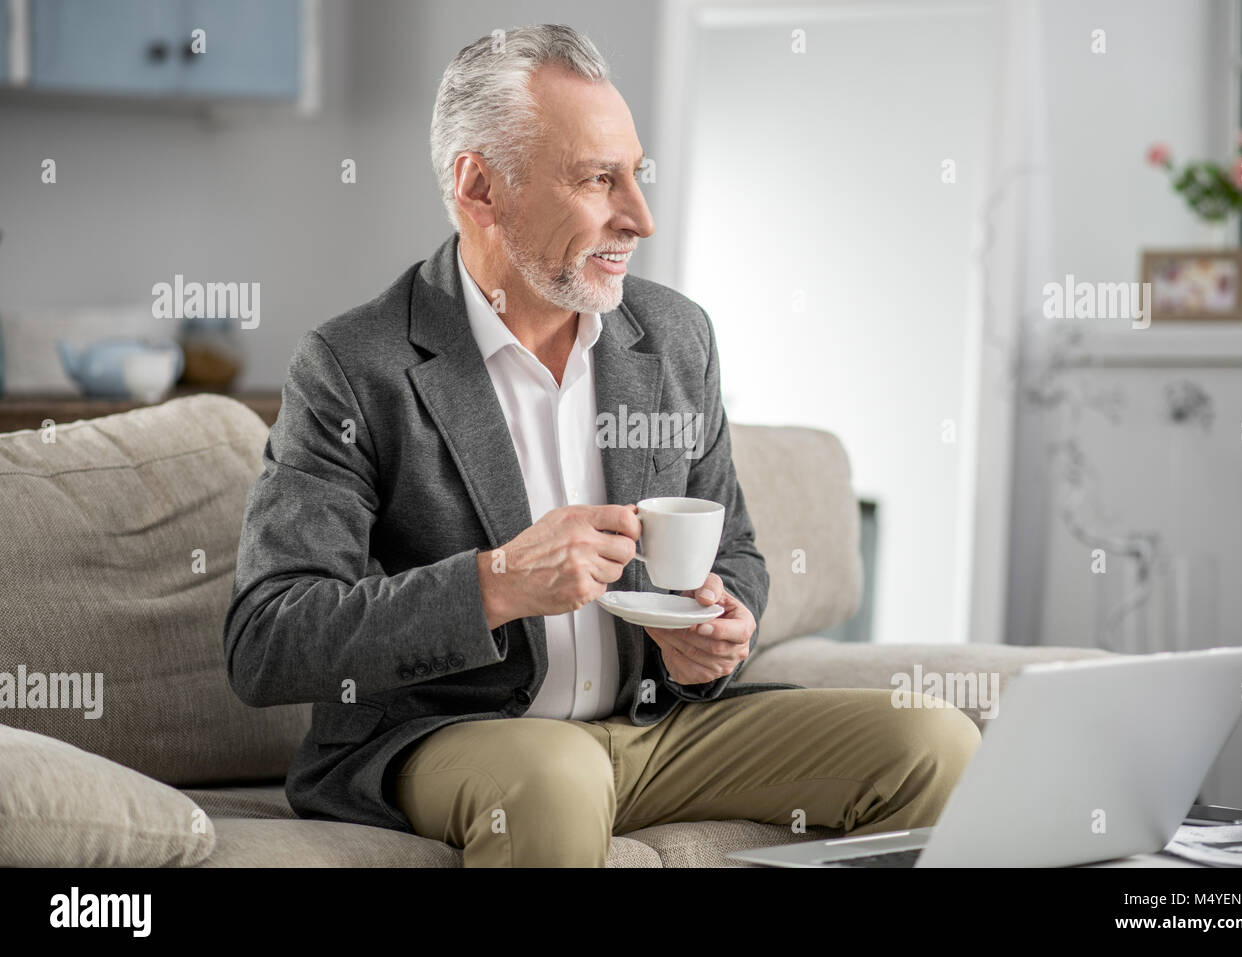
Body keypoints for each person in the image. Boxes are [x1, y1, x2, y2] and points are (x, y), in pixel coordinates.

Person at [223, 23, 980, 867]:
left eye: (638, 175)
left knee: (934, 739)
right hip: (455, 737)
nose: (641, 217)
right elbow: (269, 637)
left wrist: (721, 625)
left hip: (657, 728)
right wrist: (497, 582)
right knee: (553, 779)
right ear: (481, 188)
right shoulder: (356, 366)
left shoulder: (674, 338)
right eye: (598, 179)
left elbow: (734, 549)